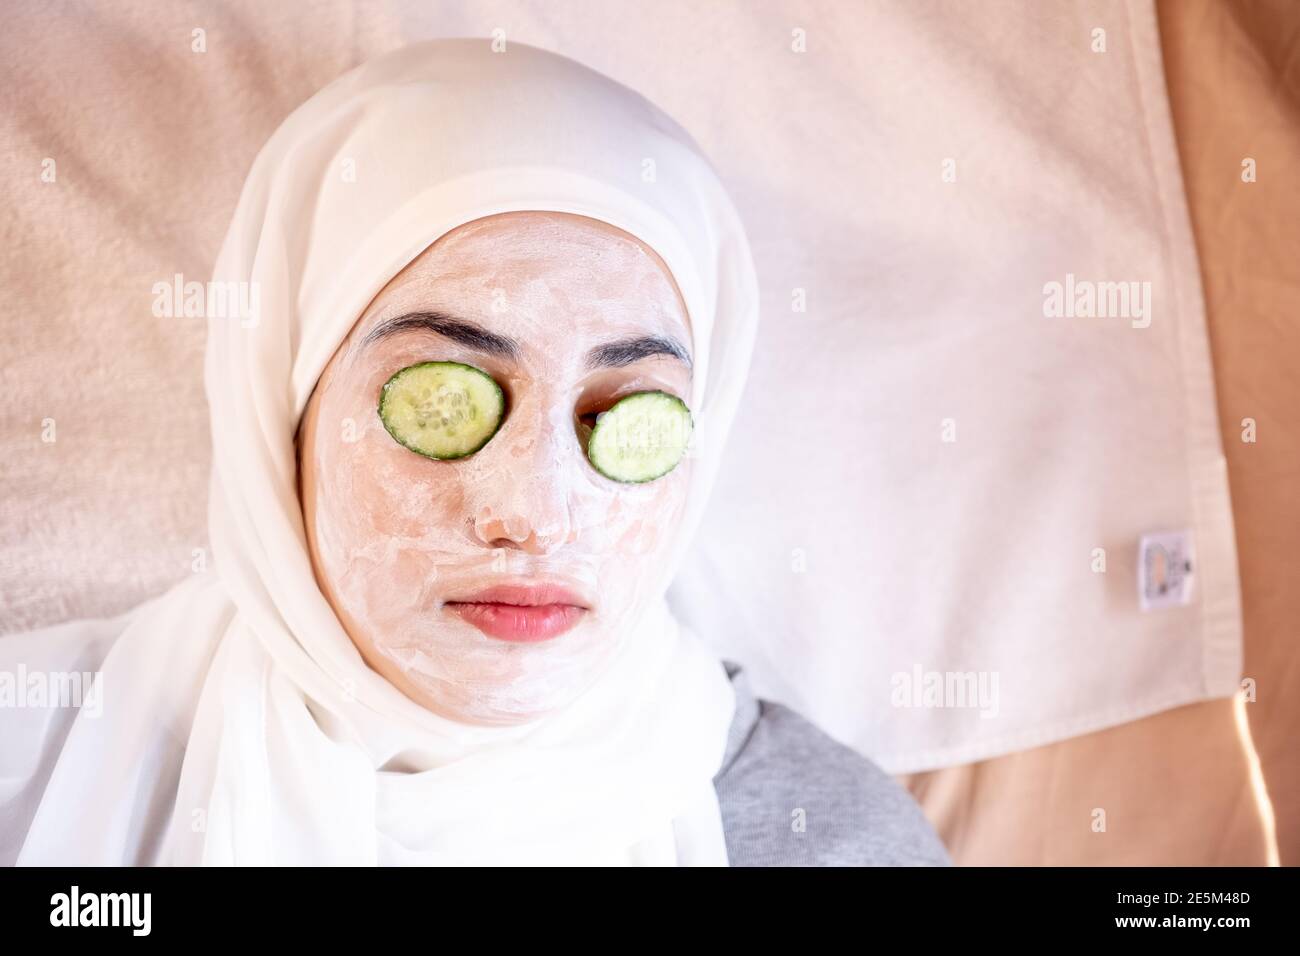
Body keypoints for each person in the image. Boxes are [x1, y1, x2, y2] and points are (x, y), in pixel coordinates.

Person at [0, 38, 949, 867]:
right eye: (447, 401)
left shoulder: (829, 840)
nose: (536, 514)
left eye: (628, 412)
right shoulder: (26, 756)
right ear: (274, 417)